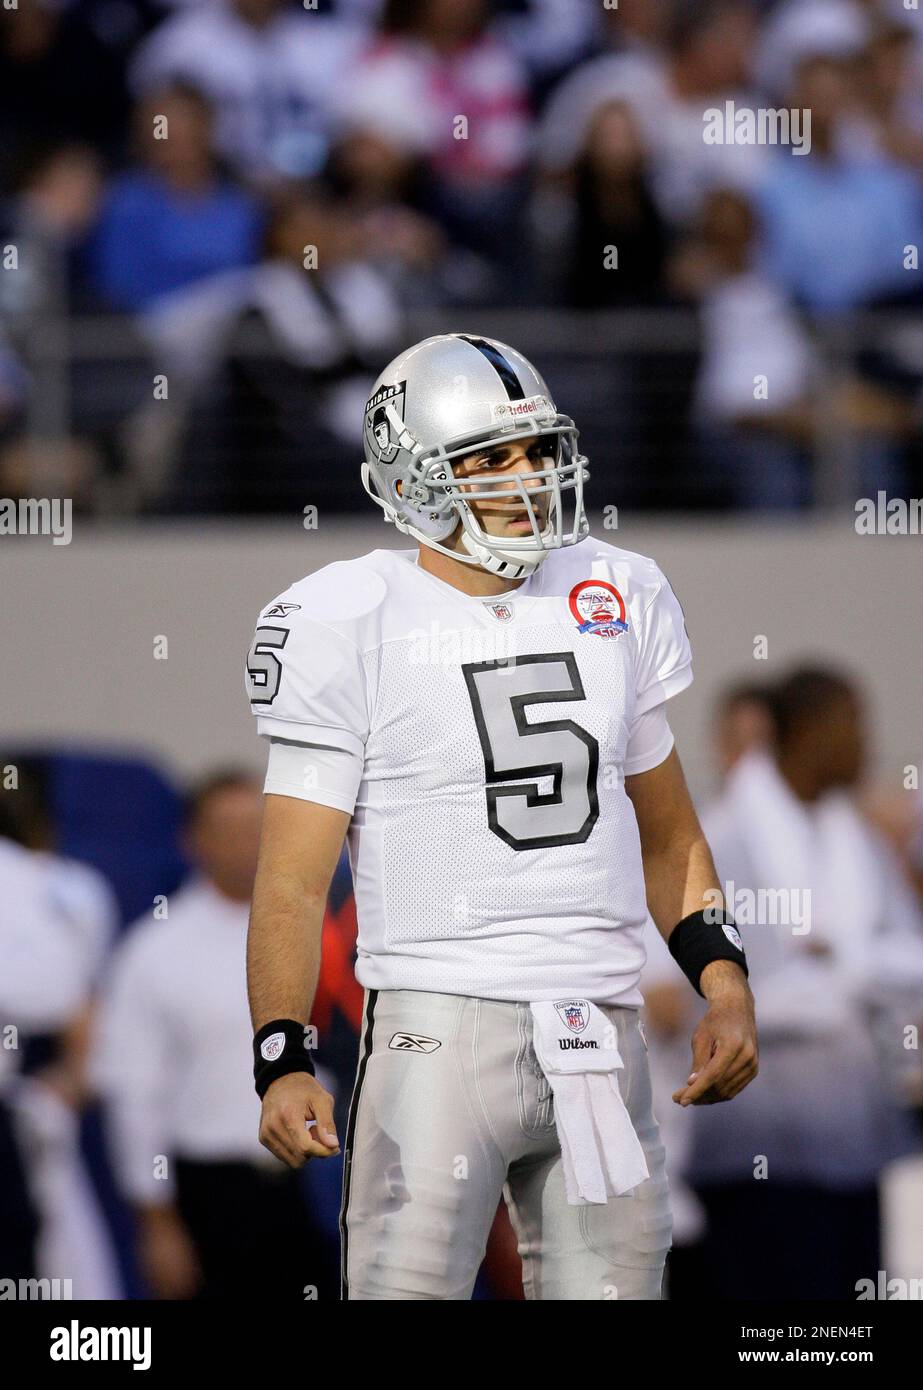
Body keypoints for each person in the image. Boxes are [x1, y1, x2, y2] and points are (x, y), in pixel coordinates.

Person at [243, 332, 758, 1300]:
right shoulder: (345, 614)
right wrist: (281, 1052)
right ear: (413, 480)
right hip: (434, 1033)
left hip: (601, 1031)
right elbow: (291, 880)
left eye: (536, 450)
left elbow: (670, 834)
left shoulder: (619, 586)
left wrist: (722, 985)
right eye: (488, 458)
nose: (526, 478)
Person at [689, 666, 923, 1299]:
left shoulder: (860, 845)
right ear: (806, 733)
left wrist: (837, 959)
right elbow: (719, 992)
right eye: (850, 726)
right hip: (755, 1152)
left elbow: (913, 958)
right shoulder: (727, 842)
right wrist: (855, 969)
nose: (865, 746)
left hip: (858, 1148)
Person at [92, 771, 338, 1299]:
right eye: (229, 829)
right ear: (193, 840)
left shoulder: (328, 933)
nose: (248, 843)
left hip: (323, 1182)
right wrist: (156, 1225)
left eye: (260, 827)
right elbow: (135, 1096)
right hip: (218, 1194)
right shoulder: (155, 950)